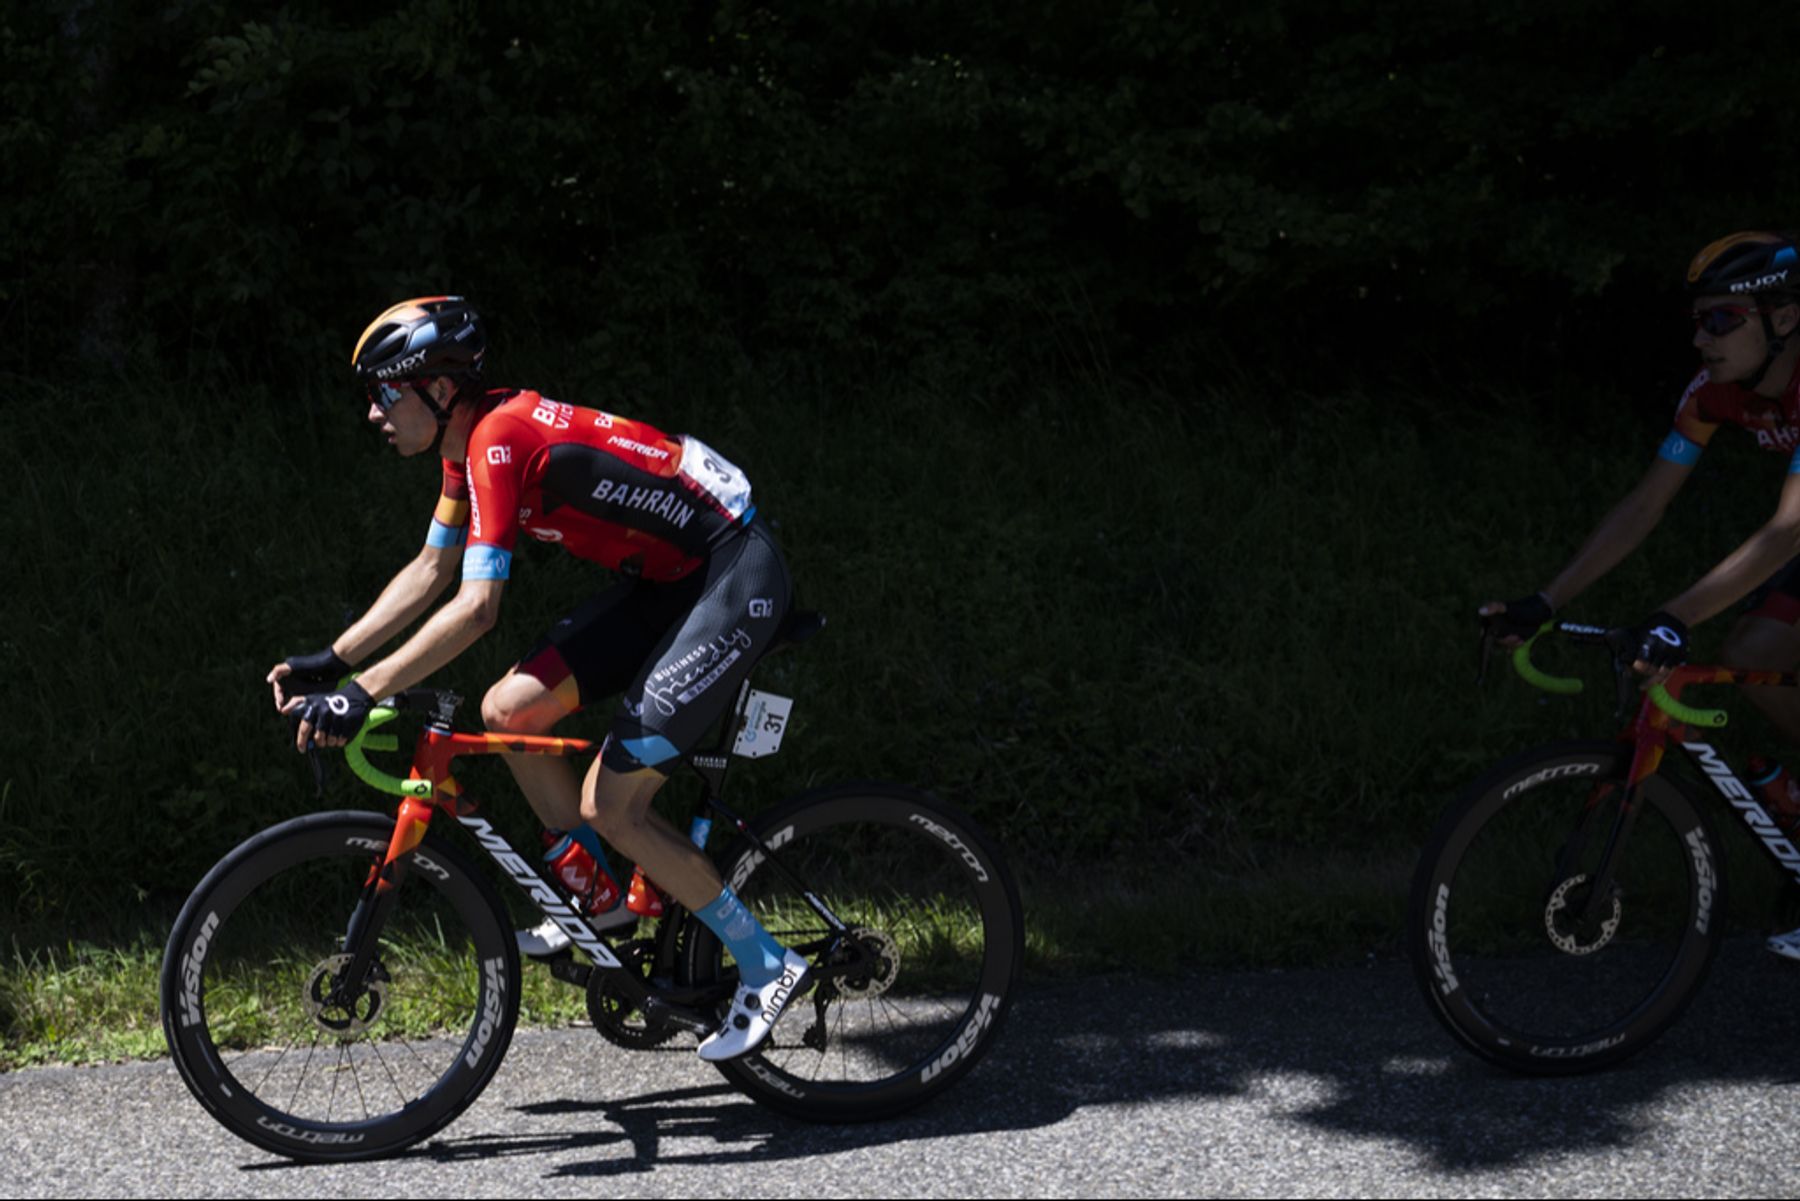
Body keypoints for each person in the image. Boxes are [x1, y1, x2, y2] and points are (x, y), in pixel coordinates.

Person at [266, 296, 809, 1059]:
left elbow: (478, 609)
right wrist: (338, 657)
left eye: (386, 392)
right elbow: (432, 568)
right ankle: (600, 905)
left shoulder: (497, 441)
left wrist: (362, 694)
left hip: (731, 568)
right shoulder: (469, 442)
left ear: (439, 388)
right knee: (509, 709)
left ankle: (766, 960)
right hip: (674, 577)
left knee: (612, 801)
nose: (373, 413)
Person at [1480, 230, 1800, 958]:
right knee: (1755, 648)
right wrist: (1544, 601)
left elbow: (1787, 532)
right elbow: (1644, 506)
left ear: (1782, 318)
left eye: (1722, 319)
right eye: (1697, 319)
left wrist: (1673, 617)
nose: (1702, 336)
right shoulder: (1713, 391)